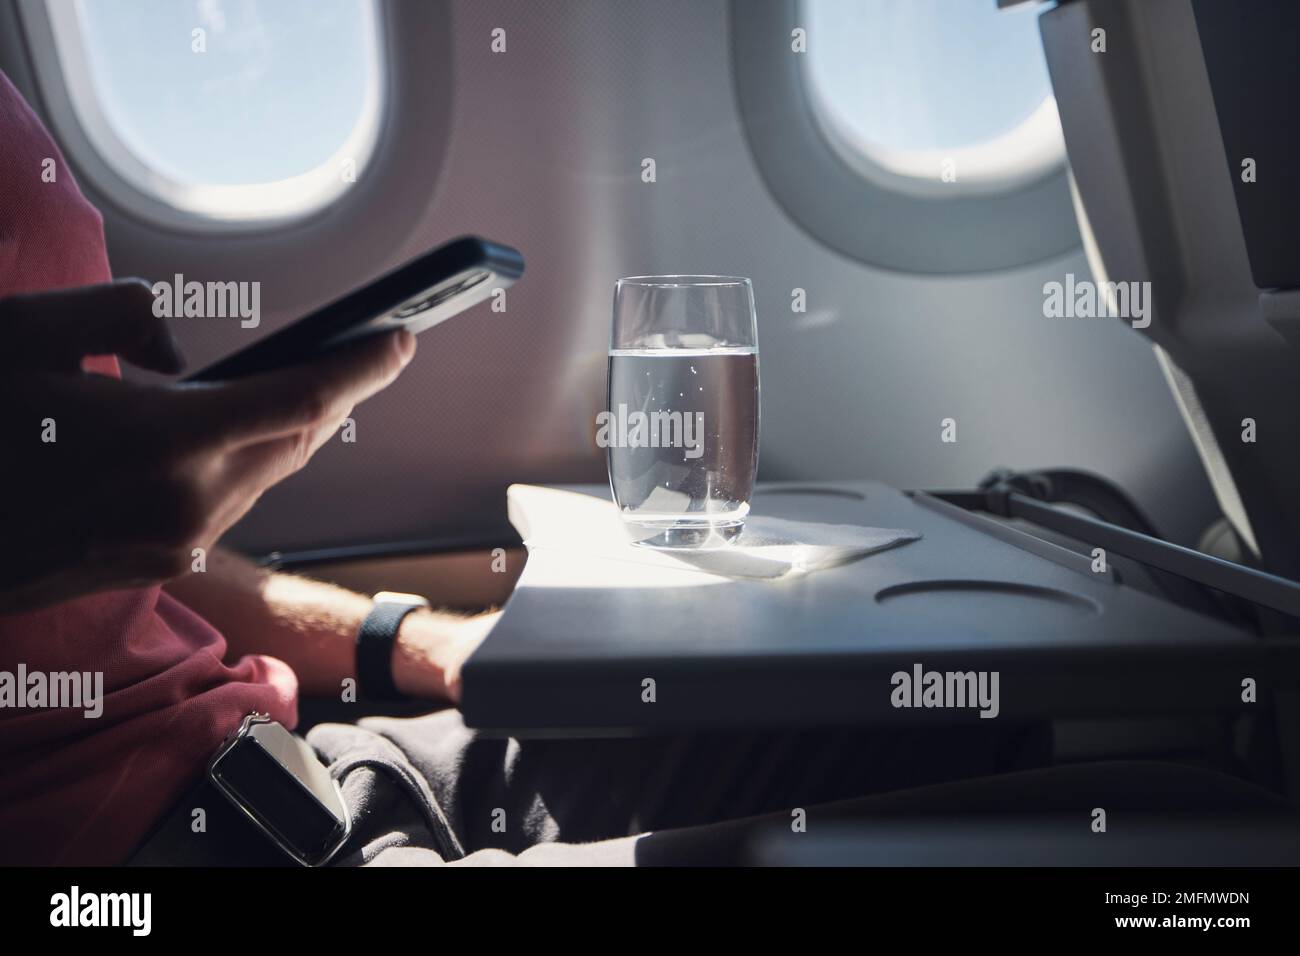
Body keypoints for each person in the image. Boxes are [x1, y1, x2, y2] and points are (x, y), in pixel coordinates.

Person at [0, 69, 1001, 867]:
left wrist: (423, 641)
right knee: (1084, 827)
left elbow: (116, 577)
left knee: (945, 728)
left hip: (312, 764)